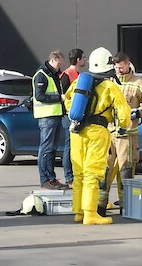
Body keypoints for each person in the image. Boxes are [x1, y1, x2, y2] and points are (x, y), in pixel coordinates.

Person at [65, 47, 130, 225]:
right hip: (97, 132)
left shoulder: (78, 82)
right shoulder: (110, 86)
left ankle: (78, 212)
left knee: (79, 173)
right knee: (92, 173)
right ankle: (90, 213)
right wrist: (123, 125)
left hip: (77, 132)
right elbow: (124, 113)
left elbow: (68, 102)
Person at [99, 51, 142, 214]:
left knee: (125, 171)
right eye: (116, 67)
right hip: (109, 134)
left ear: (128, 65)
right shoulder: (109, 82)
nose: (118, 71)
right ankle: (100, 205)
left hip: (127, 135)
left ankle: (126, 206)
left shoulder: (139, 83)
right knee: (104, 171)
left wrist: (140, 112)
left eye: (121, 67)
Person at [33, 50, 68, 190]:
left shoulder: (53, 74)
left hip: (55, 115)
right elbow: (39, 96)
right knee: (46, 149)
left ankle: (51, 178)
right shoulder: (42, 75)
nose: (60, 66)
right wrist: (59, 98)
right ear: (52, 60)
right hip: (47, 116)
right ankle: (45, 179)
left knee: (51, 149)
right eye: (59, 64)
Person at [58, 48, 85, 187]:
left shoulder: (78, 75)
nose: (84, 60)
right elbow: (63, 96)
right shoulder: (67, 75)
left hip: (76, 114)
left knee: (75, 146)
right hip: (69, 115)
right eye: (83, 58)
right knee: (69, 146)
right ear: (78, 59)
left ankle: (74, 175)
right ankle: (69, 176)